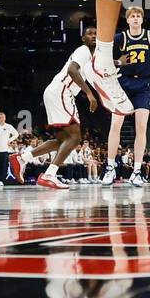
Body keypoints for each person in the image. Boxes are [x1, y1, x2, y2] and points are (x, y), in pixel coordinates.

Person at [17, 26, 101, 190]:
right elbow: (71, 70)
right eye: (90, 33)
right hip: (62, 91)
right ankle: (49, 175)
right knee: (75, 138)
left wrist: (119, 62)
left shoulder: (92, 56)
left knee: (63, 140)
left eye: (96, 34)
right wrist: (89, 94)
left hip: (56, 91)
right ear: (83, 39)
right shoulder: (83, 50)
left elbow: (103, 66)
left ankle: (23, 158)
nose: (94, 36)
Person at [104, 8, 150, 186]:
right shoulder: (120, 38)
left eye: (138, 16)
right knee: (116, 125)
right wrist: (118, 62)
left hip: (143, 86)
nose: (136, 18)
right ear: (127, 20)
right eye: (132, 16)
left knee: (141, 127)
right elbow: (101, 58)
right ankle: (109, 167)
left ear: (142, 19)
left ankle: (137, 171)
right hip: (122, 84)